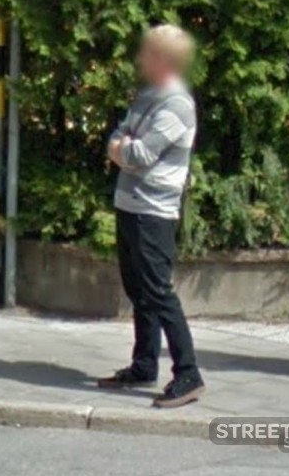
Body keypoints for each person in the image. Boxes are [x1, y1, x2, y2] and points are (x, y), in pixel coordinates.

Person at [99, 24, 205, 408]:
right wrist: (122, 147)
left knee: (159, 292)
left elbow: (140, 156)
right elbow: (119, 135)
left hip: (153, 212)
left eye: (148, 53)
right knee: (138, 291)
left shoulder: (176, 104)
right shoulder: (148, 96)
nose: (141, 59)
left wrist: (121, 149)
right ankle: (144, 364)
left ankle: (189, 373)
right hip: (129, 205)